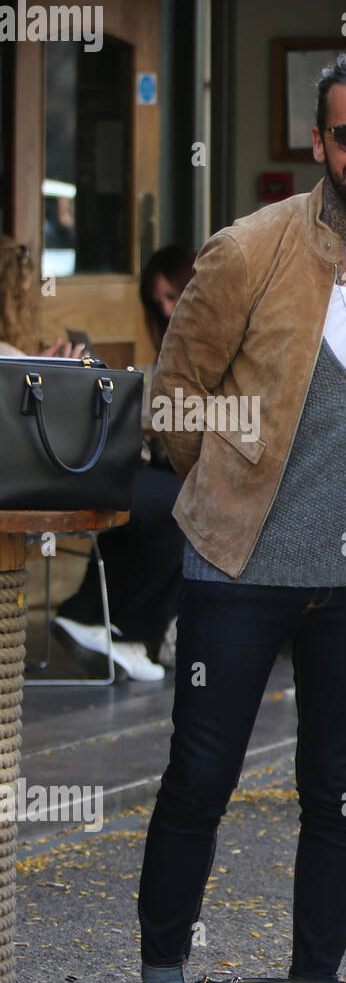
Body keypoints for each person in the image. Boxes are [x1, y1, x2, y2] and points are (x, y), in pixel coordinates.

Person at [127, 50, 346, 983]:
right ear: (319, 143)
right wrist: (236, 474)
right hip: (239, 563)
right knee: (199, 777)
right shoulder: (248, 249)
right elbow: (174, 405)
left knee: (338, 788)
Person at [51, 245, 198, 680]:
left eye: (173, 296)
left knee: (171, 501)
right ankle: (109, 625)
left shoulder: (220, 337)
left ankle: (107, 623)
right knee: (143, 486)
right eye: (159, 304)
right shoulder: (174, 350)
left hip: (217, 477)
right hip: (181, 472)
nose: (168, 311)